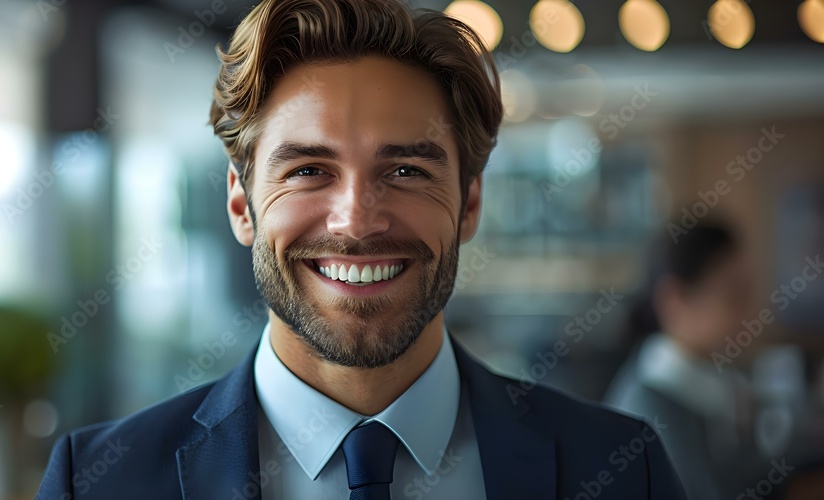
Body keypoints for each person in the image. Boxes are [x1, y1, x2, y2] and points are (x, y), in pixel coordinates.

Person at [37, 1, 686, 498]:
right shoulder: (95, 483)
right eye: (308, 170)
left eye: (406, 171)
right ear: (241, 204)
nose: (355, 222)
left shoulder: (621, 467)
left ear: (469, 204)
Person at [606, 222, 766, 499]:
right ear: (675, 299)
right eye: (734, 296)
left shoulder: (718, 381)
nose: (749, 314)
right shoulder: (651, 408)